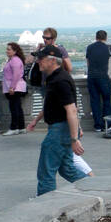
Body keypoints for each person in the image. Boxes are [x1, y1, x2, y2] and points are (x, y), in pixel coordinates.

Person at [29, 45, 87, 195]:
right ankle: (94, 187)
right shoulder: (55, 78)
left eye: (41, 58)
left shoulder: (60, 80)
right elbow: (52, 104)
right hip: (63, 128)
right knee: (67, 169)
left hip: (59, 130)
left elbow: (71, 109)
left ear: (53, 60)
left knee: (46, 170)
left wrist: (74, 139)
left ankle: (45, 203)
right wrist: (36, 120)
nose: (38, 61)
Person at [84, 30, 111, 132]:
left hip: (91, 76)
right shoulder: (108, 48)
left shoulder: (89, 47)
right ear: (105, 38)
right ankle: (107, 125)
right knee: (106, 100)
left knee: (95, 101)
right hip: (103, 76)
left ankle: (98, 125)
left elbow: (88, 62)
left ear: (96, 37)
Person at [1, 41, 28, 135]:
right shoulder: (13, 59)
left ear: (15, 51)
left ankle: (14, 128)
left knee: (14, 108)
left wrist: (12, 87)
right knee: (17, 107)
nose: (7, 51)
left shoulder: (15, 60)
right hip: (16, 87)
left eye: (9, 49)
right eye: (7, 49)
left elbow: (16, 75)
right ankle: (21, 127)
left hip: (14, 87)